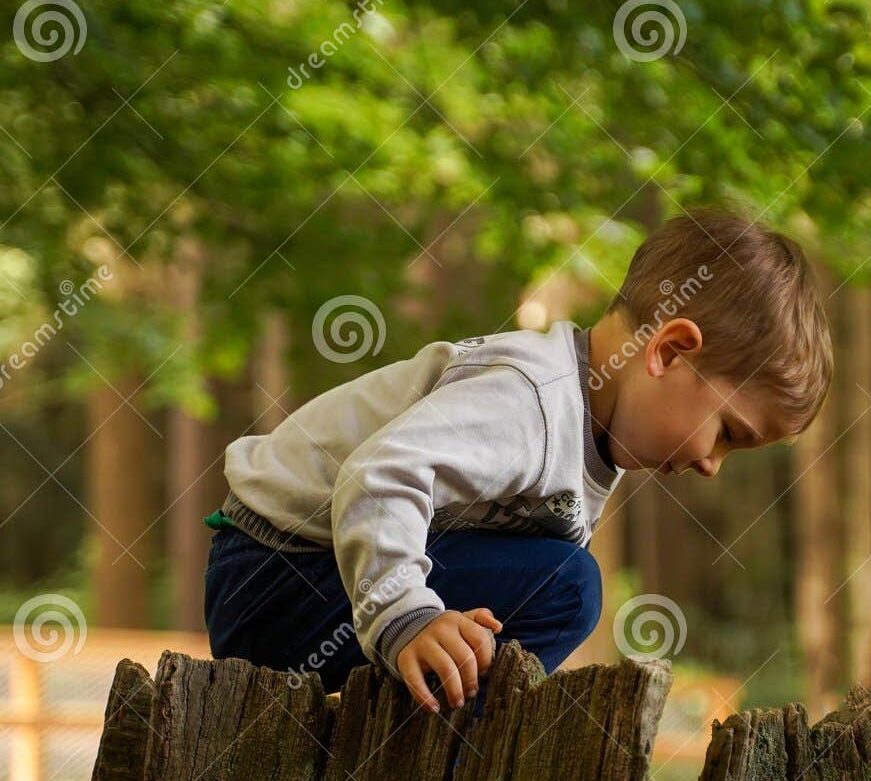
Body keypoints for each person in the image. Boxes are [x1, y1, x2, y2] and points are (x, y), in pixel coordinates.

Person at [202, 207, 833, 715]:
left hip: (320, 576)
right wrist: (408, 618)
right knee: (568, 586)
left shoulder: (588, 428)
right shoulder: (532, 398)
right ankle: (440, 763)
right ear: (668, 352)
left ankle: (428, 747)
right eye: (727, 433)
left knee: (554, 579)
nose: (713, 465)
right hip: (273, 568)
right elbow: (378, 477)